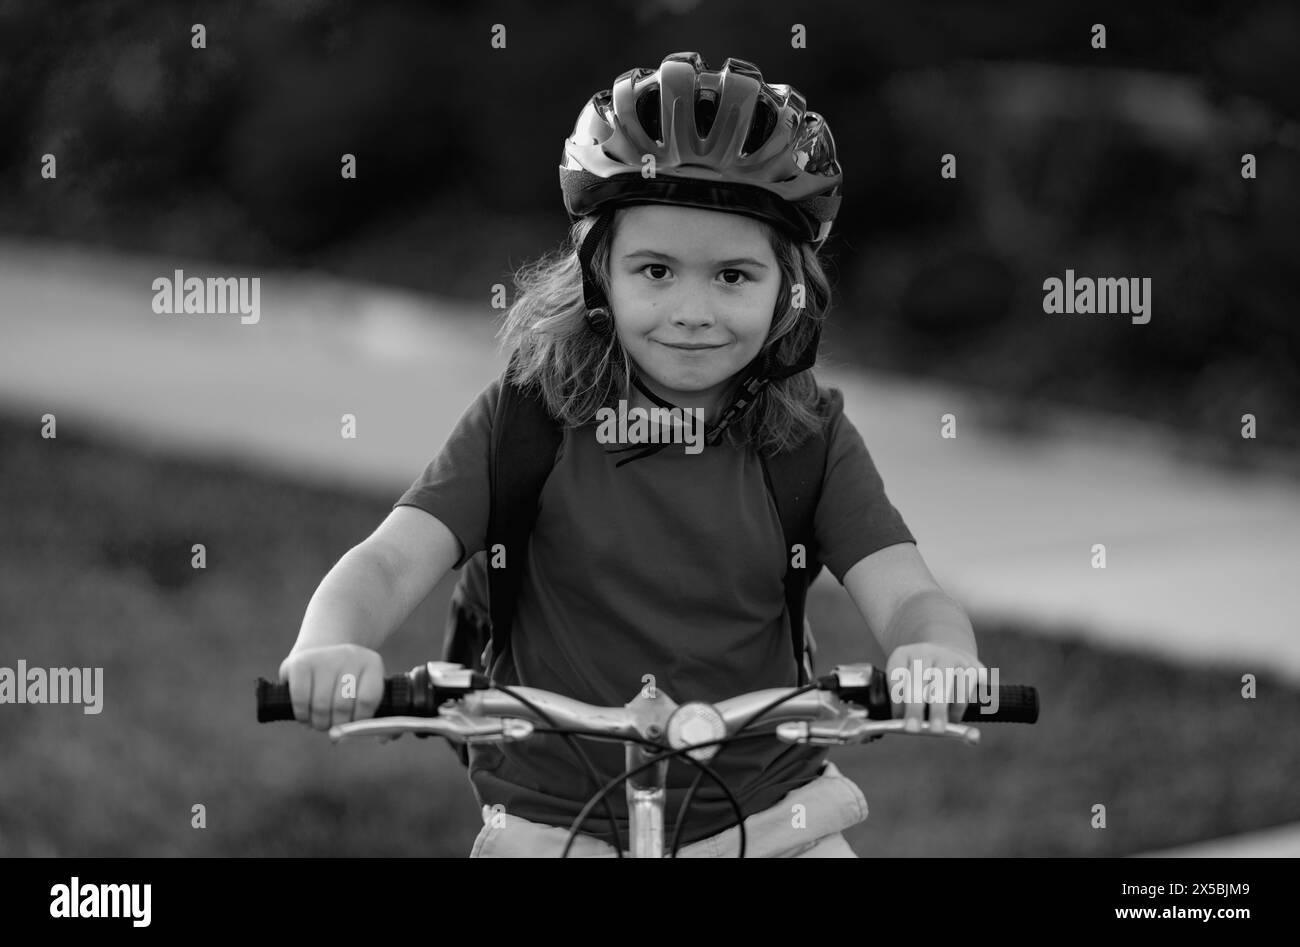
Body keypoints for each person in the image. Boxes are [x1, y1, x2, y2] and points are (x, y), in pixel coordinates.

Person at [278, 51, 984, 858]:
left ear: (790, 290)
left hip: (769, 814)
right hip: (550, 825)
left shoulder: (810, 439)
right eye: (655, 270)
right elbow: (391, 560)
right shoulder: (528, 423)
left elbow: (906, 594)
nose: (691, 311)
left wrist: (936, 653)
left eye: (732, 275)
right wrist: (331, 642)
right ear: (598, 277)